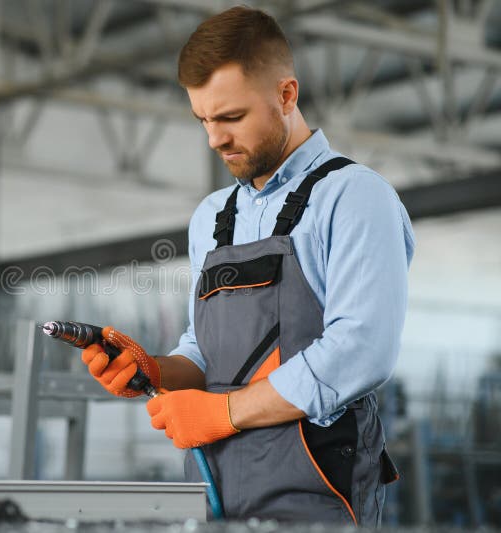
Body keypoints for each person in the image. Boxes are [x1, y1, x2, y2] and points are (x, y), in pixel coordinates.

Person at [81, 5, 414, 526]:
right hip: (215, 494)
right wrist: (154, 370)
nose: (215, 138)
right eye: (204, 120)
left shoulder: (352, 197)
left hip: (315, 496)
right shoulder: (212, 217)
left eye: (231, 118)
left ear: (287, 95)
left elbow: (361, 350)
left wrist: (223, 413)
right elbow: (205, 351)